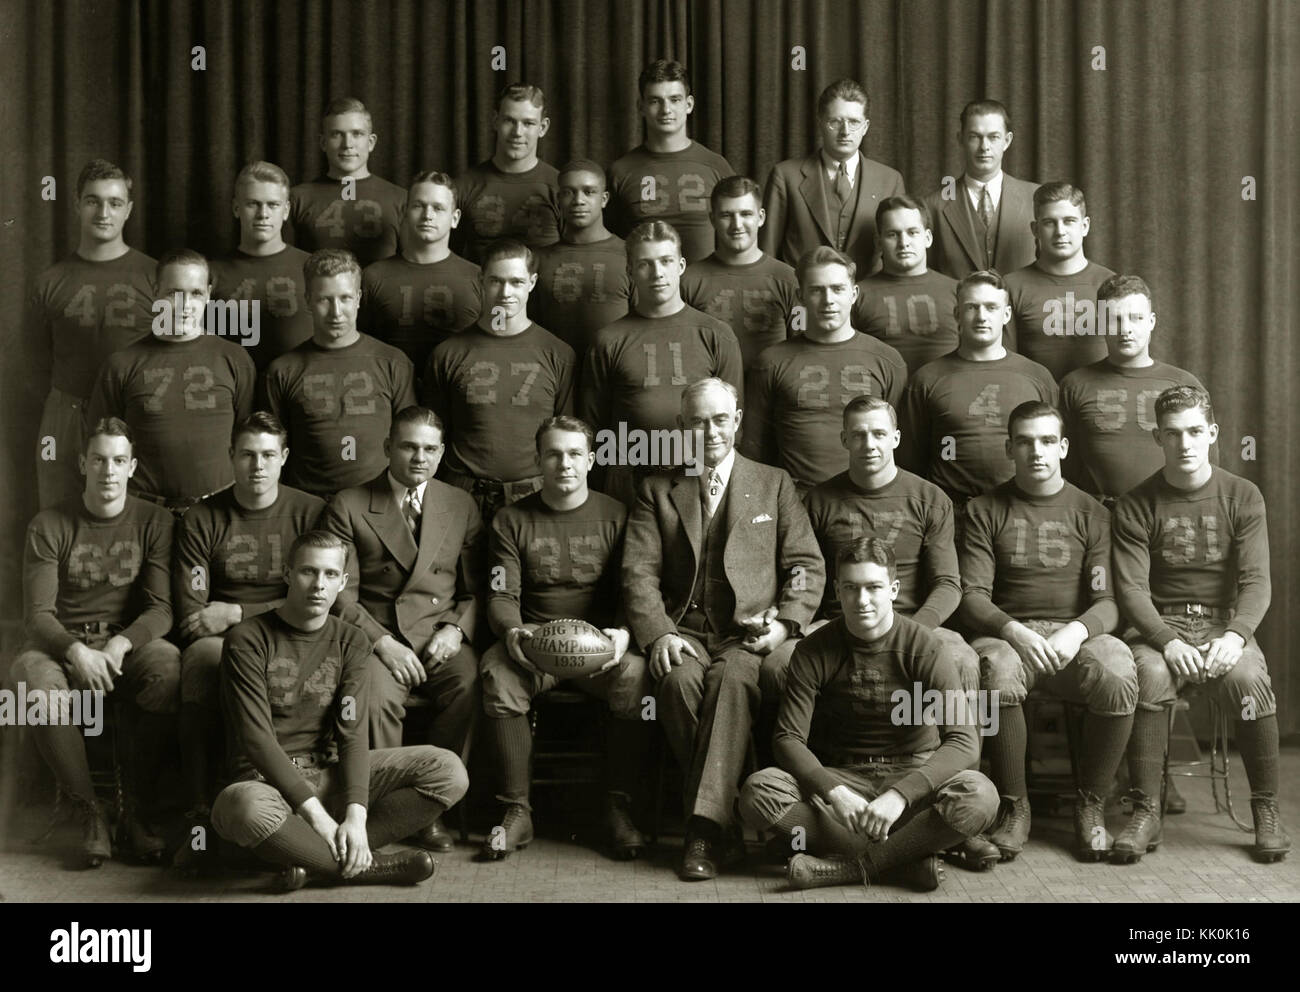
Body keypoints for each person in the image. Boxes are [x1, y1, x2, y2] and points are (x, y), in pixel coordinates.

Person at [623, 378, 824, 881]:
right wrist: (660, 634)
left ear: (737, 420)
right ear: (680, 425)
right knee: (677, 682)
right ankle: (724, 820)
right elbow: (639, 574)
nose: (709, 431)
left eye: (719, 419)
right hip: (682, 630)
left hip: (747, 635)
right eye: (697, 421)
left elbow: (805, 565)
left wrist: (784, 625)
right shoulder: (655, 489)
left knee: (731, 681)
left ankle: (703, 833)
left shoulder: (773, 483)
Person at [210, 529, 468, 890]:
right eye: (308, 572)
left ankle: (309, 860)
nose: (319, 584)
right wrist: (320, 819)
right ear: (287, 574)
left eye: (330, 575)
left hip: (326, 773)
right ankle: (371, 866)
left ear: (342, 582)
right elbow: (256, 739)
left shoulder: (352, 640)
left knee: (448, 770)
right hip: (263, 782)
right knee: (243, 808)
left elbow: (352, 734)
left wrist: (355, 817)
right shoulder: (248, 639)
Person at [738, 537, 998, 891]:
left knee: (980, 797)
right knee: (758, 793)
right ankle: (907, 856)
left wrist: (900, 795)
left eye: (873, 587)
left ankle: (850, 866)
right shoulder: (813, 650)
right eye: (851, 588)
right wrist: (835, 792)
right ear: (837, 590)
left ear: (893, 589)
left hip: (911, 777)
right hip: (845, 781)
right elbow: (787, 739)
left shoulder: (924, 647)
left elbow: (964, 741)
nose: (862, 601)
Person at [1111, 385, 1290, 864]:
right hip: (1159, 626)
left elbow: (1256, 582)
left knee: (1250, 679)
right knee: (1146, 675)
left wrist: (1236, 636)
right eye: (1172, 434)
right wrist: (1166, 642)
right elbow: (1131, 591)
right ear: (1157, 438)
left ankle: (1265, 809)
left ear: (1211, 433)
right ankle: (1146, 809)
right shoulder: (1135, 505)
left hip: (1220, 626)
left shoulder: (1242, 495)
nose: (1184, 444)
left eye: (1194, 432)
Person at [959, 400, 1136, 864]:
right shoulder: (983, 510)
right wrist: (1013, 631)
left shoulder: (1092, 512)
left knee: (1118, 669)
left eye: (1045, 442)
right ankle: (1016, 806)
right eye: (1024, 442)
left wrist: (1076, 632)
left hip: (1071, 638)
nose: (1035, 452)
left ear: (1062, 447)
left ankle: (1091, 803)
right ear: (1009, 448)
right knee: (994, 670)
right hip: (1009, 635)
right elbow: (971, 594)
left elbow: (1109, 601)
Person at [478, 416, 651, 861]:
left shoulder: (617, 514)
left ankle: (619, 806)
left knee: (635, 676)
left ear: (590, 459)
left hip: (599, 649)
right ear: (538, 460)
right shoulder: (510, 518)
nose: (564, 463)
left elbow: (633, 588)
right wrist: (513, 632)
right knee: (497, 674)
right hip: (537, 645)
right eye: (553, 454)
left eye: (575, 453)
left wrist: (622, 635)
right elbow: (501, 593)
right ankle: (516, 810)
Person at [12, 417, 179, 866]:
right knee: (34, 682)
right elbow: (38, 616)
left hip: (124, 647)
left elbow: (161, 609)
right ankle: (91, 813)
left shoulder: (155, 521)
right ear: (83, 462)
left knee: (167, 667)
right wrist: (76, 651)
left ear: (132, 466)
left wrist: (120, 646)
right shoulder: (49, 524)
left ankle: (135, 809)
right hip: (63, 646)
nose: (108, 471)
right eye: (100, 460)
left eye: (119, 461)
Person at [318, 406, 482, 852]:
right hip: (376, 636)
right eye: (409, 446)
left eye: (429, 449)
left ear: (442, 453)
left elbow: (476, 590)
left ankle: (431, 807)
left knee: (470, 684)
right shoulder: (348, 504)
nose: (419, 457)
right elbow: (340, 594)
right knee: (371, 696)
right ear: (388, 447)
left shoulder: (460, 503)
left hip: (439, 635)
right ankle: (393, 808)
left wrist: (455, 631)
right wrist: (383, 644)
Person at [171, 412, 325, 845]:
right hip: (223, 645)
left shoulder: (310, 512)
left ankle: (305, 794)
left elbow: (323, 596)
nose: (257, 465)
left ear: (284, 458)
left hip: (295, 635)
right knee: (201, 658)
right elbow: (193, 613)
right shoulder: (202, 519)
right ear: (231, 457)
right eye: (247, 455)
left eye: (268, 455)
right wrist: (247, 620)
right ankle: (199, 804)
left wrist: (238, 612)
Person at [804, 396, 976, 691]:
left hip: (911, 622)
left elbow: (948, 584)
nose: (869, 444)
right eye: (858, 435)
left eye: (879, 434)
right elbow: (806, 574)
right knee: (778, 665)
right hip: (839, 624)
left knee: (964, 661)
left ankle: (963, 739)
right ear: (845, 439)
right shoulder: (818, 502)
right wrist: (809, 623)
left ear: (895, 438)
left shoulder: (930, 500)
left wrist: (912, 631)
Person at [580, 221, 743, 506]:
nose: (658, 273)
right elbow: (593, 428)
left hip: (698, 479)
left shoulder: (716, 334)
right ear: (630, 271)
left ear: (680, 265)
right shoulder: (608, 340)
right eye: (645, 264)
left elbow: (735, 424)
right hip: (629, 481)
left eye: (665, 261)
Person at [27, 159, 156, 509]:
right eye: (92, 200)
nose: (103, 212)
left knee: (131, 516)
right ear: (76, 204)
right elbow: (33, 363)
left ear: (128, 209)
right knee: (58, 512)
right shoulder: (50, 281)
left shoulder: (155, 276)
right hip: (65, 412)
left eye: (114, 203)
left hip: (131, 410)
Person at [87, 249, 256, 512]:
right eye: (173, 293)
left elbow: (250, 441)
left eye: (196, 293)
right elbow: (101, 445)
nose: (184, 305)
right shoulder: (121, 364)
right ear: (156, 292)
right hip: (145, 512)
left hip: (219, 512)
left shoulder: (234, 358)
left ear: (209, 295)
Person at [422, 240, 575, 524]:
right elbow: (433, 437)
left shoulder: (558, 354)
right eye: (496, 281)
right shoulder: (447, 354)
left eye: (516, 282)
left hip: (535, 494)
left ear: (532, 282)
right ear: (481, 281)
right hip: (463, 492)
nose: (505, 293)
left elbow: (568, 435)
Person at [897, 270, 1056, 535]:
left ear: (1005, 315)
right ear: (957, 314)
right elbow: (911, 462)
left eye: (991, 307)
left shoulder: (1037, 377)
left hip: (1022, 512)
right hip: (952, 516)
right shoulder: (927, 379)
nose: (982, 316)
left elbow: (1058, 452)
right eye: (972, 307)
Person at [741, 246, 906, 493]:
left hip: (866, 500)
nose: (828, 300)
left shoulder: (886, 360)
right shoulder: (771, 362)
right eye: (817, 290)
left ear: (854, 293)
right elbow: (755, 448)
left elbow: (902, 448)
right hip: (796, 502)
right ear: (800, 296)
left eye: (838, 289)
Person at [261, 248, 416, 498]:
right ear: (308, 300)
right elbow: (271, 450)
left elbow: (410, 441)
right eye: (325, 299)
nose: (336, 312)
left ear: (358, 299)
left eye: (345, 298)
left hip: (379, 502)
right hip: (310, 502)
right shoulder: (282, 371)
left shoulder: (393, 362)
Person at [1059, 274, 1213, 503]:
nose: (1126, 329)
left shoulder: (1183, 384)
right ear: (1100, 323)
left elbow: (1208, 467)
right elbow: (1062, 468)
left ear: (1151, 321)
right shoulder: (1074, 385)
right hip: (1099, 520)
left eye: (1136, 318)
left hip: (1168, 515)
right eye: (1115, 319)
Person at [760, 78, 906, 279]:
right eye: (835, 121)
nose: (845, 131)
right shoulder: (785, 176)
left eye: (854, 122)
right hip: (800, 299)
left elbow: (897, 255)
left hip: (868, 301)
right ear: (820, 122)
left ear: (866, 127)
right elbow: (767, 254)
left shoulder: (890, 180)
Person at [606, 59, 735, 264]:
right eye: (655, 101)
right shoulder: (620, 171)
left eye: (675, 99)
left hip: (706, 293)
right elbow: (610, 246)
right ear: (641, 107)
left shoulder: (717, 167)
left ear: (689, 104)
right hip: (643, 292)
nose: (666, 109)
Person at [360, 171, 481, 374]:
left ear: (455, 218)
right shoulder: (373, 277)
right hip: (390, 394)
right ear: (405, 212)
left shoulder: (478, 277)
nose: (427, 215)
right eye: (418, 206)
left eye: (438, 208)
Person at [680, 175, 799, 367]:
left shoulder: (789, 279)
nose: (737, 225)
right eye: (727, 215)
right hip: (710, 390)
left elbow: (802, 347)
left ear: (760, 217)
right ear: (713, 219)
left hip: (771, 390)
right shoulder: (689, 281)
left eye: (745, 214)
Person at [210, 161, 315, 373]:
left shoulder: (313, 268)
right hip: (231, 394)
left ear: (286, 211)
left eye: (273, 205)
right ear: (236, 208)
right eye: (253, 204)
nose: (263, 214)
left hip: (300, 392)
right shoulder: (208, 273)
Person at [1003, 183, 1115, 381]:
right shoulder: (1011, 287)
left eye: (1069, 221)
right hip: (1034, 405)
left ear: (1085, 226)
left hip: (1098, 404)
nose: (1060, 231)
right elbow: (1004, 364)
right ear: (1035, 229)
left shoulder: (1111, 285)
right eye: (1049, 223)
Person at [923, 100, 1039, 280]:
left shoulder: (1034, 198)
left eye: (993, 137)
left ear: (1007, 141)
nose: (984, 147)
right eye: (975, 137)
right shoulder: (933, 205)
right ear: (960, 139)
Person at [528, 160, 631, 360]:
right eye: (569, 192)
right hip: (554, 372)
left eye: (589, 192)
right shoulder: (537, 260)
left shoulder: (629, 254)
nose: (578, 200)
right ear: (558, 199)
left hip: (614, 374)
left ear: (604, 198)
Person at [288, 97, 404, 266]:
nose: (347, 144)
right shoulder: (296, 199)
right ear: (323, 142)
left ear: (371, 142)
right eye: (337, 134)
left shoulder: (401, 199)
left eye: (357, 134)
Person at [851, 195, 960, 374]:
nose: (903, 243)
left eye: (912, 232)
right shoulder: (857, 295)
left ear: (928, 238)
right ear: (878, 242)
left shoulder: (957, 291)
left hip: (946, 395)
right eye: (892, 234)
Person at [455, 84, 562, 263]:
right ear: (495, 121)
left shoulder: (560, 187)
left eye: (528, 123)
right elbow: (449, 260)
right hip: (479, 290)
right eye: (509, 121)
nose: (517, 132)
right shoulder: (464, 186)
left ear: (543, 127)